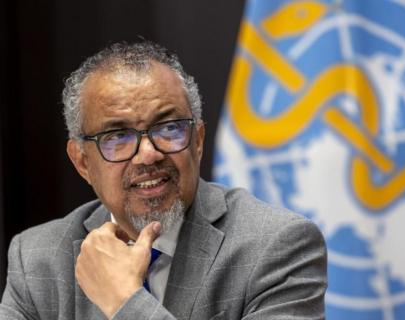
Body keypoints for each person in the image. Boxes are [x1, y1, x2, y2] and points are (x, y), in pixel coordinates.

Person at [0, 41, 327, 319]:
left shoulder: (276, 246)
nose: (148, 154)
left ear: (197, 140)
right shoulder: (37, 258)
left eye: (169, 128)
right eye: (118, 136)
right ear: (83, 162)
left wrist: (126, 302)